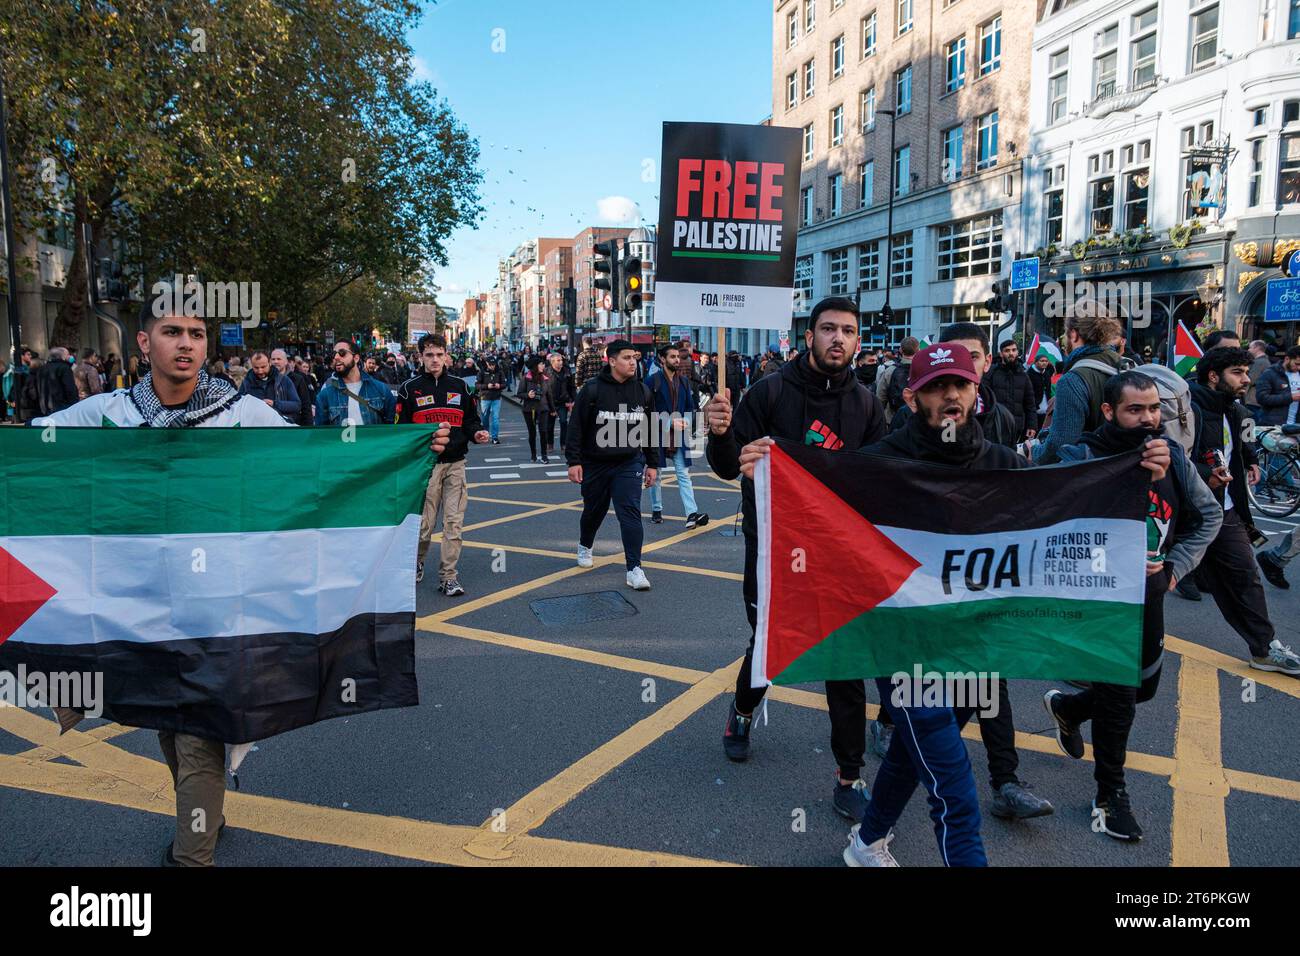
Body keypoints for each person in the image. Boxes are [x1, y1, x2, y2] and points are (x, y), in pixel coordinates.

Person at [32, 299, 449, 867]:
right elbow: (31, 453)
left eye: (197, 334)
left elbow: (313, 465)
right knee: (165, 716)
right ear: (144, 344)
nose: (186, 343)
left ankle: (192, 853)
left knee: (199, 724)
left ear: (208, 345)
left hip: (218, 606)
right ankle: (206, 812)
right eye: (171, 331)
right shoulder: (108, 415)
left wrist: (411, 451)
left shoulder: (240, 414)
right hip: (139, 606)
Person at [704, 297, 884, 824]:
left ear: (857, 341)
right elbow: (723, 467)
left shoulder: (869, 407)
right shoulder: (770, 392)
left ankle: (849, 775)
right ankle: (742, 712)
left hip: (839, 552)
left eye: (847, 331)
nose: (837, 339)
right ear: (809, 336)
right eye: (827, 329)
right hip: (774, 547)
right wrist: (720, 433)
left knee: (844, 660)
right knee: (769, 644)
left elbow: (881, 478)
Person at [1046, 370, 1220, 840]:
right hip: (1100, 604)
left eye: (1154, 409)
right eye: (1134, 410)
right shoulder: (1080, 454)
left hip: (1148, 594)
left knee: (1143, 688)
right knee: (1122, 696)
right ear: (1109, 412)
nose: (1148, 420)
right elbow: (1048, 511)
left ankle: (1069, 707)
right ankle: (1109, 797)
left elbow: (1209, 516)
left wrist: (1175, 570)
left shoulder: (1174, 456)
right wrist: (1133, 480)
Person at [1184, 347, 1300, 674]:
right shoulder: (1188, 409)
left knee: (1245, 577)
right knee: (1151, 588)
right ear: (1213, 376)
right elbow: (1173, 457)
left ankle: (1264, 649)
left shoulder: (1235, 409)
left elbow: (1241, 441)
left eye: (1246, 372)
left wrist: (1249, 461)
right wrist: (1207, 475)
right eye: (1238, 372)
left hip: (1227, 511)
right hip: (1187, 517)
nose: (1247, 379)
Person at [397, 334, 489, 595]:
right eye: (429, 355)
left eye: (439, 354)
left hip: (456, 464)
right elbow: (401, 430)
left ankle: (449, 576)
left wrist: (478, 433)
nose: (435, 360)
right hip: (426, 468)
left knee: (453, 524)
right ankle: (416, 561)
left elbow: (472, 420)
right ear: (420, 357)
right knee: (424, 526)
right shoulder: (408, 388)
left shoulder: (461, 386)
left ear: (446, 355)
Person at [565, 339, 660, 591]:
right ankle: (585, 544)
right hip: (595, 463)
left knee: (629, 512)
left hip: (629, 463)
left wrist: (653, 463)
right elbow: (576, 427)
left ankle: (634, 568)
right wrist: (574, 461)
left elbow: (650, 429)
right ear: (612, 360)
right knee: (593, 511)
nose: (632, 362)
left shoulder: (643, 391)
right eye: (627, 358)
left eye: (635, 358)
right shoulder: (592, 390)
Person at [1032, 310, 1126, 464]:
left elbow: (1059, 447)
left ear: (1074, 334)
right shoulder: (1126, 365)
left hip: (1089, 476)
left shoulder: (1072, 380)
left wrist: (1033, 452)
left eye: (1065, 333)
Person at [645, 342, 709, 530]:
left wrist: (688, 421)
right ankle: (657, 510)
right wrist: (667, 422)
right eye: (672, 357)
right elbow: (646, 411)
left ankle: (691, 514)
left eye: (678, 357)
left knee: (683, 474)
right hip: (658, 433)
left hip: (680, 435)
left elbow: (690, 406)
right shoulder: (652, 381)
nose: (677, 360)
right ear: (662, 359)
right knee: (656, 474)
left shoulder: (684, 381)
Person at [315, 340, 396, 425]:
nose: (336, 357)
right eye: (334, 354)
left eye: (342, 353)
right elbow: (321, 434)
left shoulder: (381, 390)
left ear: (356, 358)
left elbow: (391, 430)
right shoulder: (324, 396)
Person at [986, 339, 1038, 441]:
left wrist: (1032, 425)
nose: (1011, 353)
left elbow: (1030, 403)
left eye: (1014, 350)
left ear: (1017, 352)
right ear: (1001, 354)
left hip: (1016, 427)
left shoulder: (1023, 375)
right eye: (1007, 350)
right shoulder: (991, 373)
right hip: (995, 426)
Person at [239, 351, 301, 423]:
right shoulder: (246, 383)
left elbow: (297, 405)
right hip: (255, 428)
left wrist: (274, 404)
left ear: (270, 363)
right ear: (252, 366)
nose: (260, 371)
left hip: (279, 427)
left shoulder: (284, 380)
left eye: (263, 367)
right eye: (256, 368)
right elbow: (240, 407)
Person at [1252, 344, 1300, 426]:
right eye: (1297, 364)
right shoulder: (1270, 373)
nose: (1299, 367)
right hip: (1274, 425)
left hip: (1296, 426)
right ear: (1287, 359)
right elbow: (1261, 398)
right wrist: (1291, 397)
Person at [878, 336, 919, 419]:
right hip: (917, 419)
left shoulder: (890, 370)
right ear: (918, 350)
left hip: (893, 418)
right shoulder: (924, 371)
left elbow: (880, 397)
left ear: (900, 350)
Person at [546, 351, 576, 450]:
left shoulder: (567, 371)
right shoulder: (547, 372)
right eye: (558, 360)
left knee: (563, 422)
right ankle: (550, 443)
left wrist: (573, 400)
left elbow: (572, 387)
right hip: (551, 403)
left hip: (563, 401)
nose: (561, 362)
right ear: (552, 362)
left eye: (561, 360)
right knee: (550, 425)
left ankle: (563, 444)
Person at [35, 347, 79, 416]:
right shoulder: (64, 368)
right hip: (62, 407)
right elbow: (70, 388)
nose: (70, 356)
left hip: (45, 407)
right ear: (63, 356)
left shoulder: (42, 368)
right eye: (68, 354)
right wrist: (74, 404)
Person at [477, 354, 507, 443]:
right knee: (485, 418)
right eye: (490, 364)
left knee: (495, 418)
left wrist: (499, 386)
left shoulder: (500, 372)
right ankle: (486, 435)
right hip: (485, 398)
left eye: (493, 364)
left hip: (496, 398)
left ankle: (495, 437)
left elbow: (504, 384)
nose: (492, 366)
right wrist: (487, 386)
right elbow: (477, 385)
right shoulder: (481, 372)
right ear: (487, 363)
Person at [1245, 339, 1272, 415]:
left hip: (1252, 401)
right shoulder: (1264, 361)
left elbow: (1250, 380)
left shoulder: (1260, 362)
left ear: (1257, 348)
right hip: (1256, 401)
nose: (1248, 350)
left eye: (1250, 347)